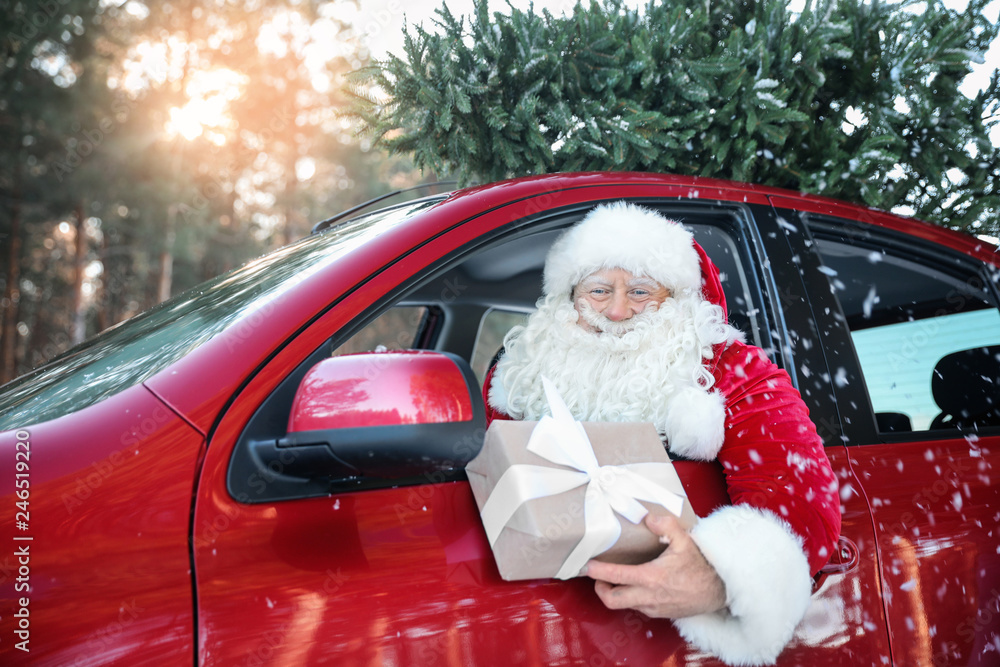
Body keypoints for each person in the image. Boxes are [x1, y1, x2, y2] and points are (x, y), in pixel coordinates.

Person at [482, 202, 841, 666]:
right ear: (569, 298)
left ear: (677, 298)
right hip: (536, 632)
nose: (617, 312)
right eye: (598, 291)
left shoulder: (732, 371)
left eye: (640, 291)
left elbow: (798, 496)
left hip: (677, 647)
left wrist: (718, 577)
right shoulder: (523, 377)